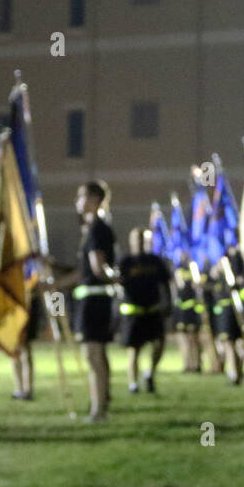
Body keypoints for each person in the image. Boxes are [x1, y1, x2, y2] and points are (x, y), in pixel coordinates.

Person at [69, 180, 117, 422]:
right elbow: (84, 270)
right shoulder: (98, 228)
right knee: (100, 354)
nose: (78, 202)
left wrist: (112, 276)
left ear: (94, 200)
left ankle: (98, 411)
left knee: (93, 355)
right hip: (98, 301)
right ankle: (103, 401)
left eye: (81, 197)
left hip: (93, 302)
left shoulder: (96, 229)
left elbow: (97, 268)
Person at [117, 225, 172, 394]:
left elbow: (165, 283)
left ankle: (150, 374)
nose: (139, 243)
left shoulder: (154, 261)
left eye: (142, 239)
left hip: (152, 310)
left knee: (159, 344)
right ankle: (133, 384)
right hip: (134, 312)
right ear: (131, 241)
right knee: (134, 350)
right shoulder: (125, 263)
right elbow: (118, 283)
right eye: (136, 239)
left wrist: (168, 302)